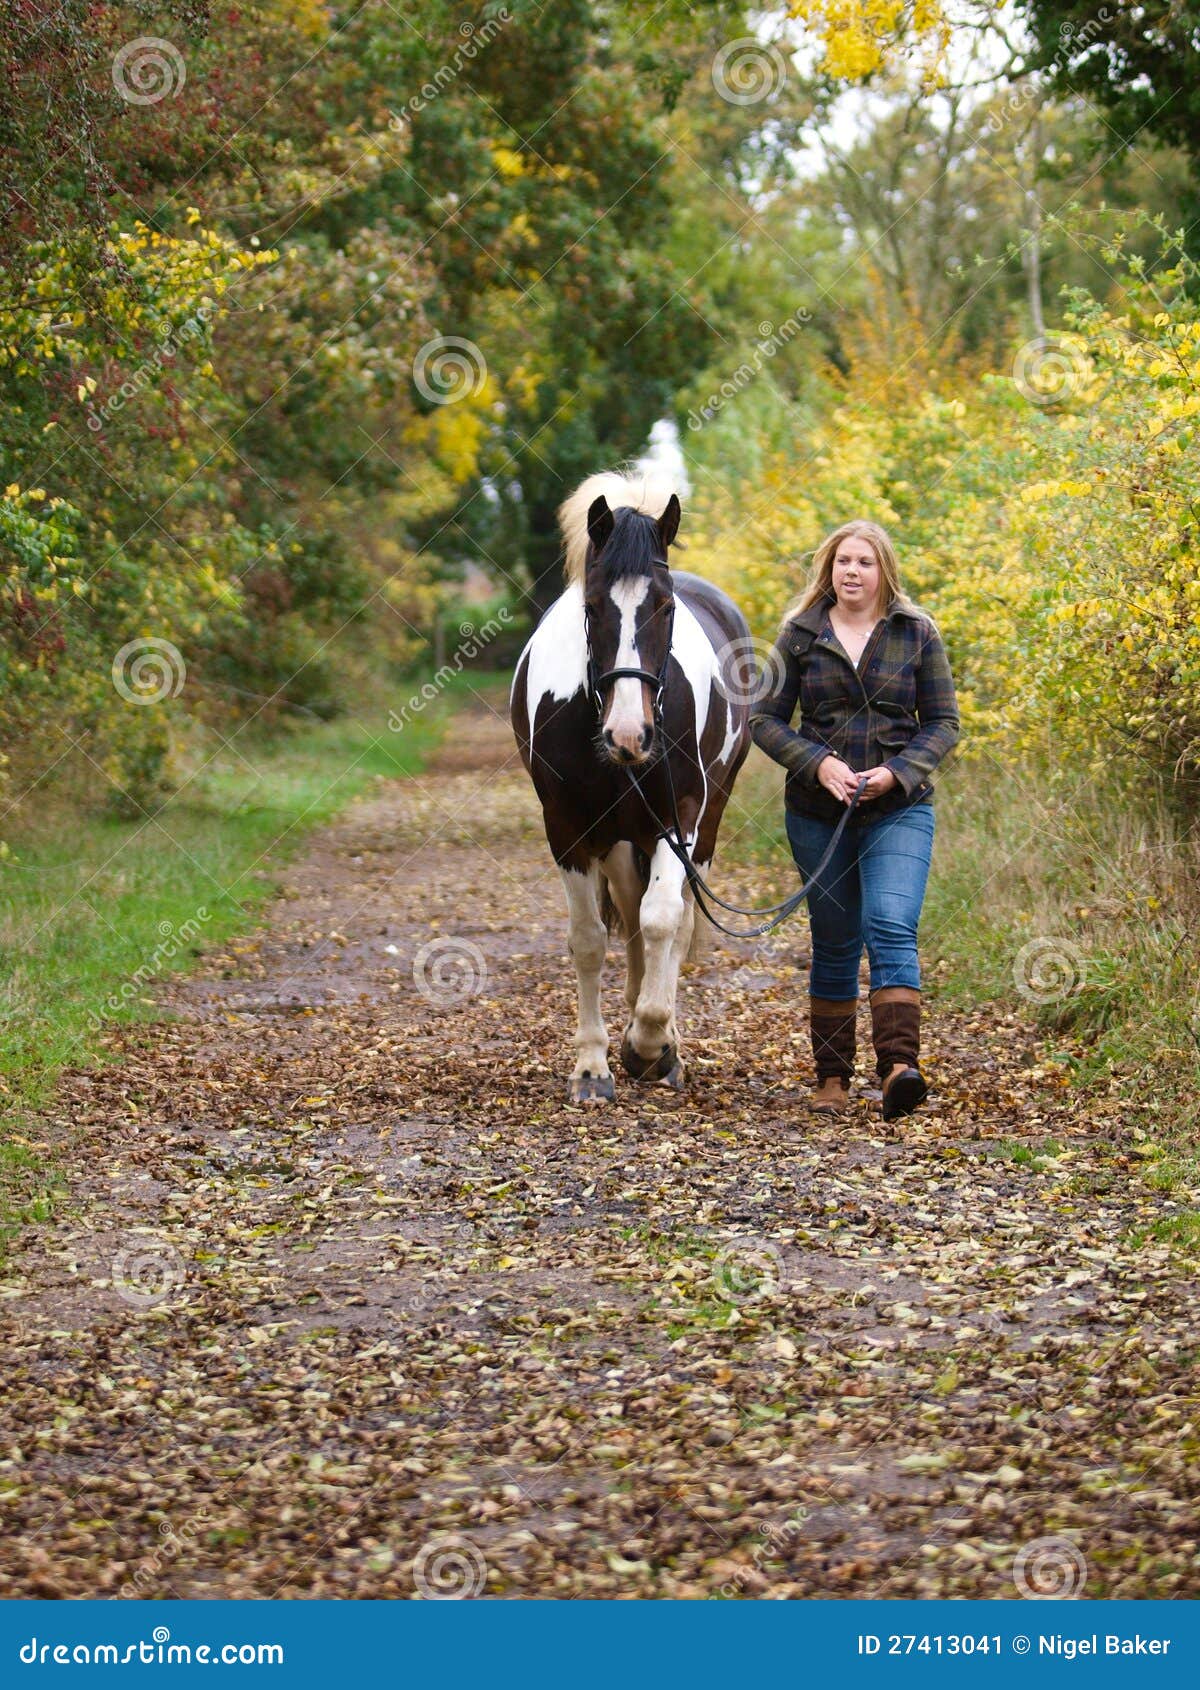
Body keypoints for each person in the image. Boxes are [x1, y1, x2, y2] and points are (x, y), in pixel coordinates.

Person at [749, 519, 959, 1119]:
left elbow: (943, 723)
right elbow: (763, 719)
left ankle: (898, 1069)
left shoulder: (917, 632)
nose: (852, 571)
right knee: (835, 938)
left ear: (883, 570)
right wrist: (817, 764)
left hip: (899, 808)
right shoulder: (800, 634)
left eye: (865, 562)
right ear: (829, 568)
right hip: (817, 813)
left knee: (890, 923)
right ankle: (832, 1076)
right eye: (843, 560)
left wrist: (897, 772)